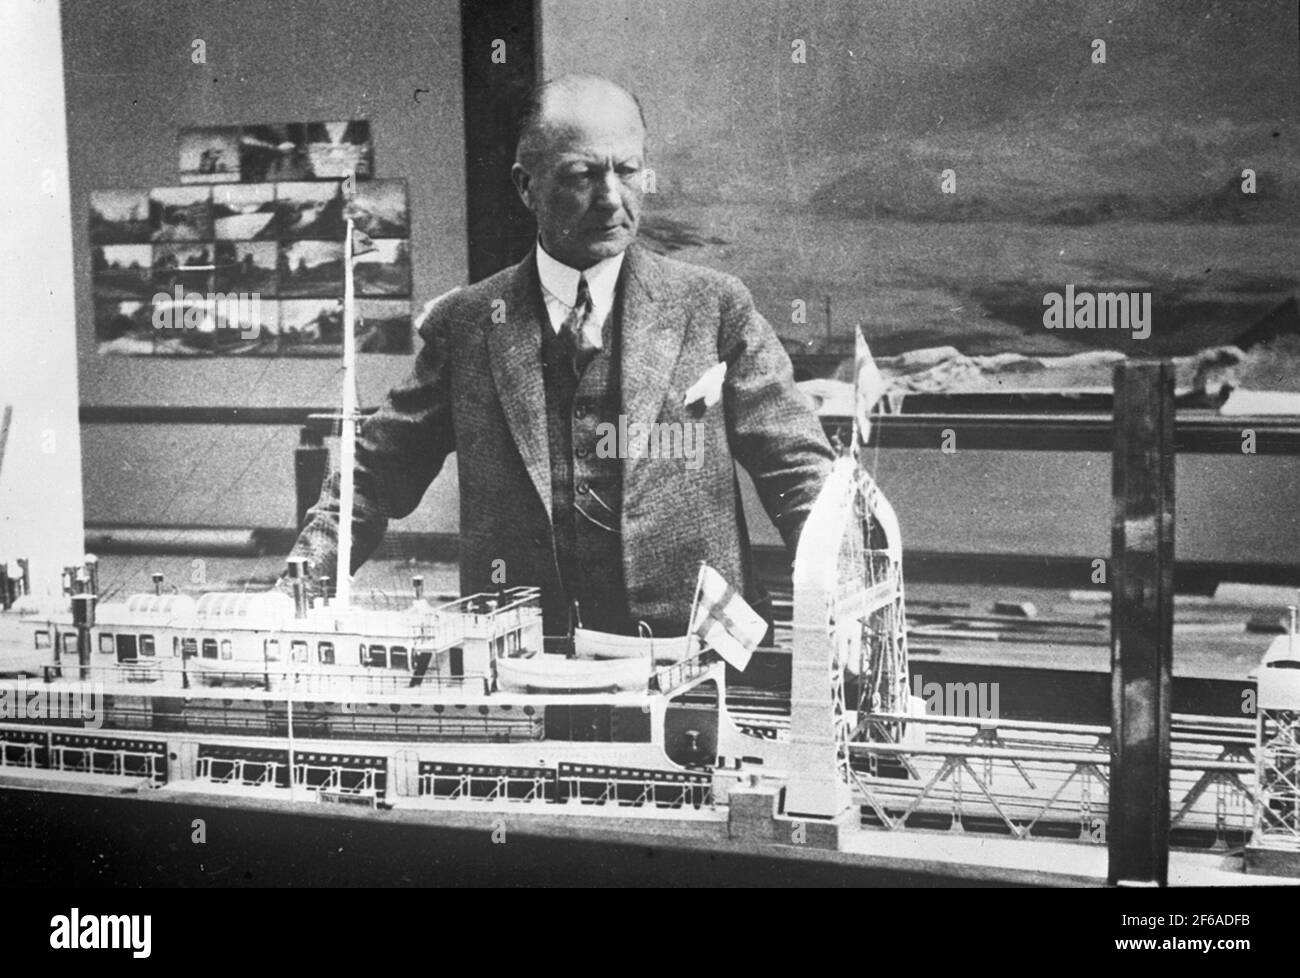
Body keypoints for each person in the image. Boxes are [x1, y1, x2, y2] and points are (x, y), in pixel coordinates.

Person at [290, 74, 834, 638]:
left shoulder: (714, 306)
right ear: (526, 186)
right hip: (521, 652)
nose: (611, 197)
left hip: (696, 650)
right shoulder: (469, 323)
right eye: (581, 175)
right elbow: (373, 477)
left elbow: (797, 467)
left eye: (627, 170)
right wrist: (295, 592)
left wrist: (841, 590)